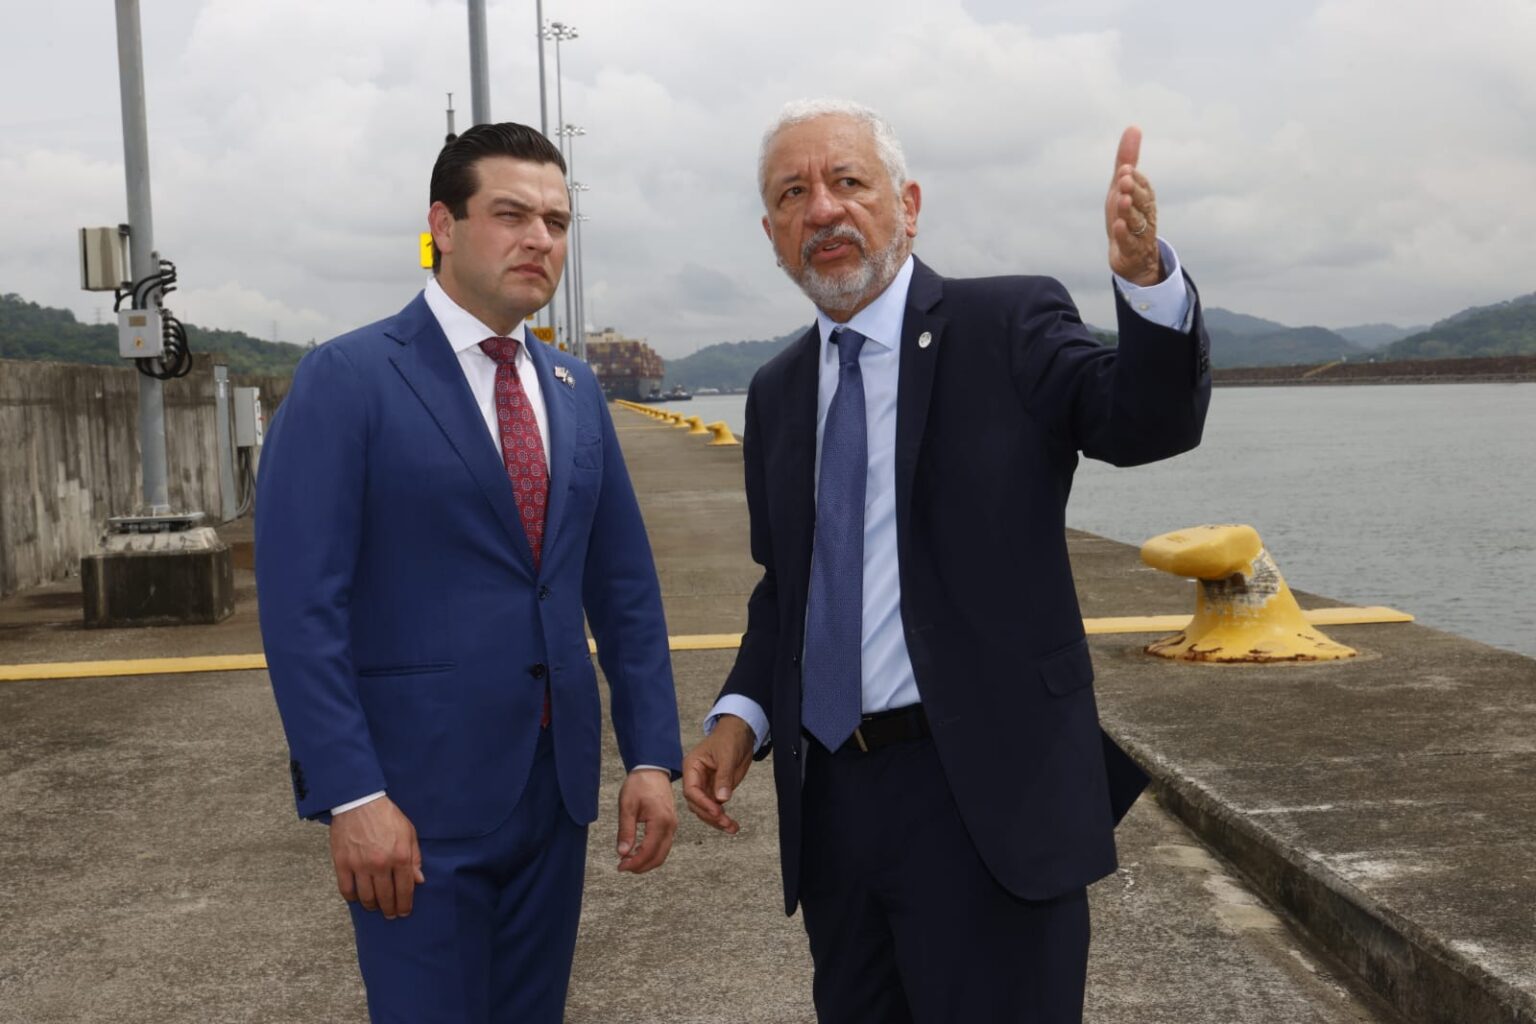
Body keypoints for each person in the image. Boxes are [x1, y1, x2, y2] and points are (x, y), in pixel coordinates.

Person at [682, 99, 1211, 1023]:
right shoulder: (774, 393)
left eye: (849, 182)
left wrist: (1147, 284)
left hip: (984, 802)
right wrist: (741, 716)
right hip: (836, 809)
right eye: (792, 194)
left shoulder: (1005, 322)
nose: (823, 212)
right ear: (771, 233)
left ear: (908, 203)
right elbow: (789, 591)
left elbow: (1144, 422)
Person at [255, 122, 682, 1024]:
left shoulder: (573, 387)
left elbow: (625, 593)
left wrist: (648, 756)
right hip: (412, 805)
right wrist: (353, 794)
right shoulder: (349, 378)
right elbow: (302, 611)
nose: (541, 240)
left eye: (558, 222)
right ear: (442, 225)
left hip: (553, 795)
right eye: (513, 214)